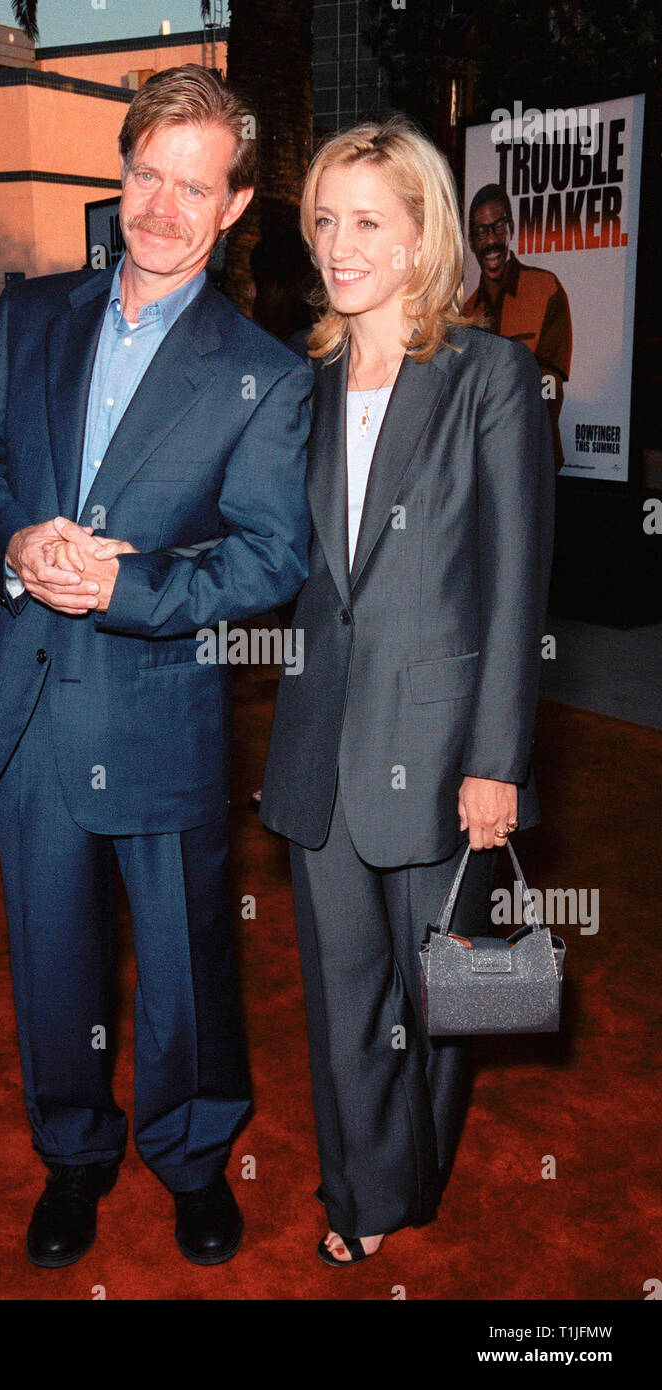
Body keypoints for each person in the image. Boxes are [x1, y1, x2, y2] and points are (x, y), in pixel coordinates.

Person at [0, 64, 312, 1269]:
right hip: (34, 700)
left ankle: (195, 1159)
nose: (162, 206)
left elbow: (268, 561)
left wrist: (128, 585)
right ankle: (74, 1156)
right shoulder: (33, 311)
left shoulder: (265, 372)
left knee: (190, 964)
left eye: (192, 186)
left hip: (160, 712)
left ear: (234, 204)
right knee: (54, 960)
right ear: (121, 172)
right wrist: (11, 532)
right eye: (147, 173)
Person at [260, 119, 554, 1265]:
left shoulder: (488, 375)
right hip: (317, 738)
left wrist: (497, 762)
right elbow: (268, 554)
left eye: (365, 220)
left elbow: (514, 587)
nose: (338, 244)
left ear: (424, 230)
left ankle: (411, 1168)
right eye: (324, 221)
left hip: (441, 745)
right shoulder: (301, 376)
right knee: (342, 998)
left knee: (447, 993)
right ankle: (361, 1193)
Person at [465, 183, 572, 471]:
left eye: (498, 228)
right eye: (481, 232)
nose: (491, 241)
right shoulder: (466, 313)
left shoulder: (546, 288)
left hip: (536, 461)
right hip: (482, 467)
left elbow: (551, 385)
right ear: (472, 242)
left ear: (511, 230)